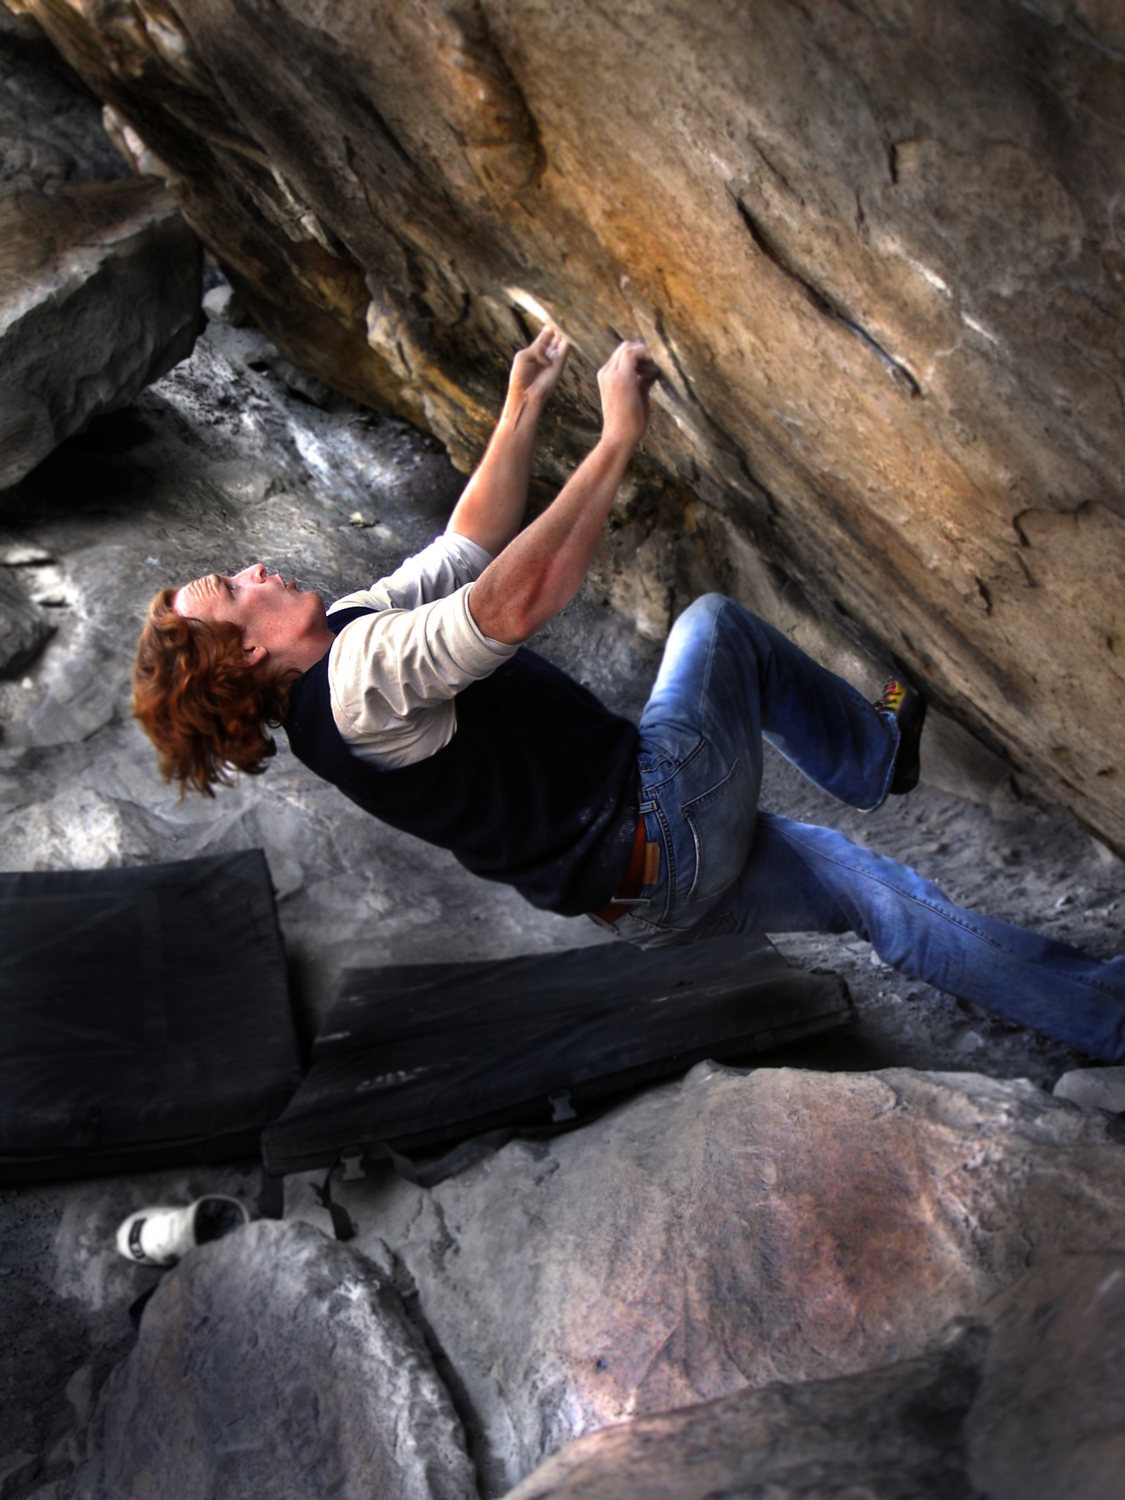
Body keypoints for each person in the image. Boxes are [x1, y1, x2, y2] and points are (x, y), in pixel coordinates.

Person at [133, 329, 1125, 1062]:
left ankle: (1108, 1018)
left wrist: (523, 402)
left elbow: (462, 551)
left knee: (881, 898)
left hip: (643, 897)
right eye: (234, 588)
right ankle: (873, 753)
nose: (256, 568)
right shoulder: (354, 688)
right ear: (241, 657)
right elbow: (512, 602)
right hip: (658, 822)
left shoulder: (344, 641)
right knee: (712, 627)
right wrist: (615, 439)